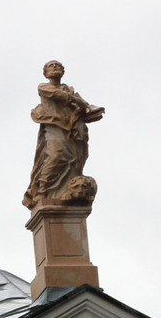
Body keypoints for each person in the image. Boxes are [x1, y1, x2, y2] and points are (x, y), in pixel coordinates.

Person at [24, 60, 104, 209]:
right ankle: (42, 191)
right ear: (45, 73)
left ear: (63, 71)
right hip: (55, 126)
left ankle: (68, 190)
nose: (54, 67)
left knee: (74, 160)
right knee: (55, 154)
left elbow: (82, 110)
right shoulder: (44, 87)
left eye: (58, 66)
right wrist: (78, 101)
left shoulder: (69, 89)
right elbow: (58, 95)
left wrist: (88, 109)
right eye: (51, 66)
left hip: (73, 130)